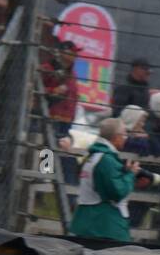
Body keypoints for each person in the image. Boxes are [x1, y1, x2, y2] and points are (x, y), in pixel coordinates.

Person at [69, 116, 137, 243]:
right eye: (124, 134)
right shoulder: (106, 160)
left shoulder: (92, 156)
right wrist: (131, 175)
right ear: (116, 137)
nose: (126, 138)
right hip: (104, 226)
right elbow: (117, 193)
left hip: (86, 221)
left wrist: (125, 173)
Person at [40, 38, 79, 182]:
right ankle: (44, 176)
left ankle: (57, 179)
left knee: (61, 148)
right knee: (48, 145)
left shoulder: (71, 73)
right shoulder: (47, 68)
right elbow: (36, 88)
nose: (73, 57)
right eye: (70, 54)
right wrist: (53, 90)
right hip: (51, 116)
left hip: (66, 120)